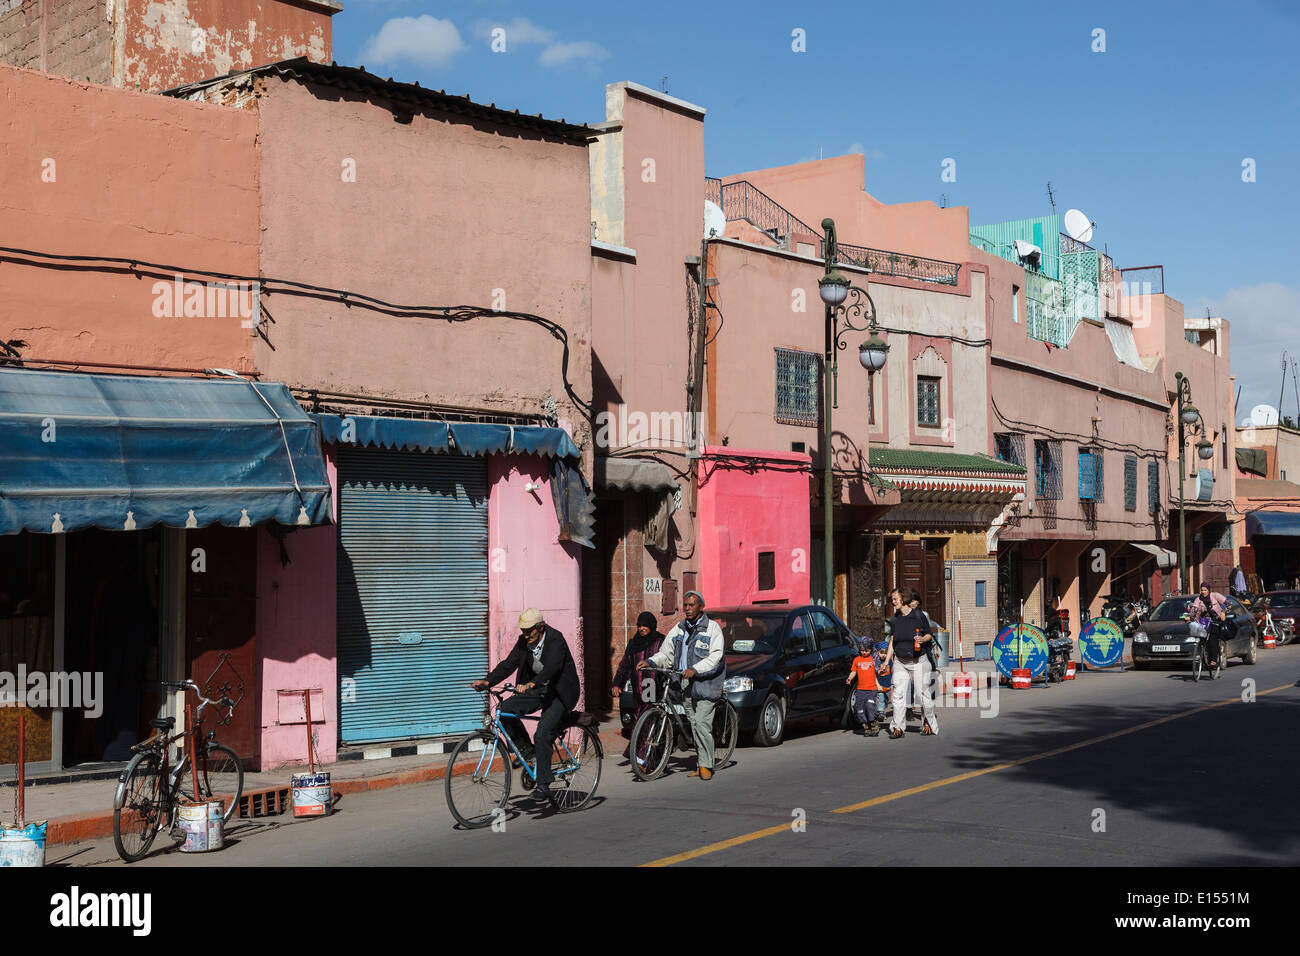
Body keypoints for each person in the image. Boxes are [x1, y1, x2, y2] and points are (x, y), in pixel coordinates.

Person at [472, 608, 580, 803]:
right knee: (504, 711)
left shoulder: (556, 639)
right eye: (523, 630)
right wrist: (488, 681)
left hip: (560, 692)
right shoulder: (524, 642)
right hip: (539, 690)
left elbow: (552, 668)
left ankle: (543, 784)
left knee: (542, 732)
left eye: (529, 631)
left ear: (541, 627)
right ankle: (529, 753)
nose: (526, 634)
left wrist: (531, 683)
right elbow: (509, 663)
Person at [637, 590, 725, 780]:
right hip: (685, 683)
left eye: (691, 605)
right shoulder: (679, 629)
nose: (687, 609)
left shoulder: (712, 629)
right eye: (685, 605)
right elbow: (666, 653)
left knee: (701, 724)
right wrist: (651, 662)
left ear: (701, 607)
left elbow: (716, 656)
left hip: (706, 683)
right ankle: (700, 760)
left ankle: (706, 766)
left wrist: (695, 668)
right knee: (693, 724)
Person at [884, 587, 939, 738]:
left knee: (923, 695)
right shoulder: (895, 619)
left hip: (919, 661)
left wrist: (922, 639)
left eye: (895, 599)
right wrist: (887, 661)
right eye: (892, 600)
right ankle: (898, 728)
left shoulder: (918, 615)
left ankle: (928, 723)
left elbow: (929, 634)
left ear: (904, 599)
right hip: (900, 662)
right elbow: (892, 641)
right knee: (898, 696)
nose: (892, 602)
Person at [611, 612, 663, 756]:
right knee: (642, 719)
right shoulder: (634, 642)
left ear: (651, 626)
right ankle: (645, 754)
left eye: (645, 625)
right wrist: (617, 684)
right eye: (639, 625)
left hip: (651, 684)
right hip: (637, 687)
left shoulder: (659, 641)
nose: (642, 628)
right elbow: (625, 666)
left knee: (645, 719)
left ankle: (639, 753)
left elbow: (667, 659)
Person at [1188, 584, 1230, 678]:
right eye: (1202, 590)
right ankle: (1202, 655)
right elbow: (1194, 609)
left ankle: (1213, 660)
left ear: (1209, 590)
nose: (1203, 592)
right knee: (1201, 637)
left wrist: (1224, 612)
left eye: (1205, 590)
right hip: (1204, 621)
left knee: (1212, 638)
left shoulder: (1215, 596)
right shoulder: (1198, 599)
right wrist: (1189, 616)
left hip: (1216, 621)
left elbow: (1229, 604)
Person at [845, 639, 881, 736]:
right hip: (860, 690)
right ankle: (866, 726)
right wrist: (849, 678)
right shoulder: (857, 660)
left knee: (870, 707)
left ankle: (874, 724)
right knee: (859, 708)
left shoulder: (873, 659)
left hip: (871, 689)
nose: (864, 652)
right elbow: (854, 671)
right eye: (862, 650)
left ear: (871, 649)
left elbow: (879, 671)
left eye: (867, 650)